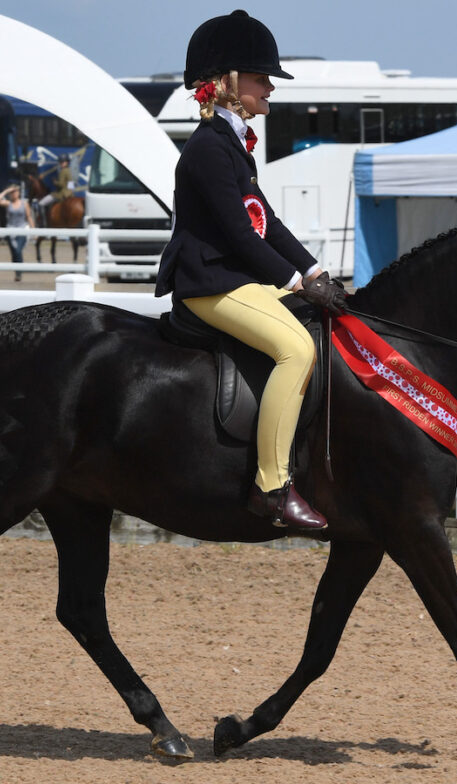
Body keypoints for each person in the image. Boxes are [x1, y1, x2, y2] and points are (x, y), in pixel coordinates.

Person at [155, 10, 346, 530]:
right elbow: (240, 236)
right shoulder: (208, 148)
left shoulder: (234, 145)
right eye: (262, 79)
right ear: (229, 82)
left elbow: (267, 222)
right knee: (296, 348)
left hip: (234, 281)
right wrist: (292, 282)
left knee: (314, 330)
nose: (270, 89)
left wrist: (314, 272)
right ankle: (271, 488)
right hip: (208, 285)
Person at [0, 183, 34, 281]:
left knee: (18, 250)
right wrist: (6, 191)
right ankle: (17, 271)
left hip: (22, 230)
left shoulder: (24, 204)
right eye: (12, 192)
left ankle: (19, 273)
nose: (14, 194)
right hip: (11, 230)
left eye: (15, 192)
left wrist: (34, 230)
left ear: (18, 193)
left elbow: (29, 217)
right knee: (14, 253)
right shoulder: (9, 204)